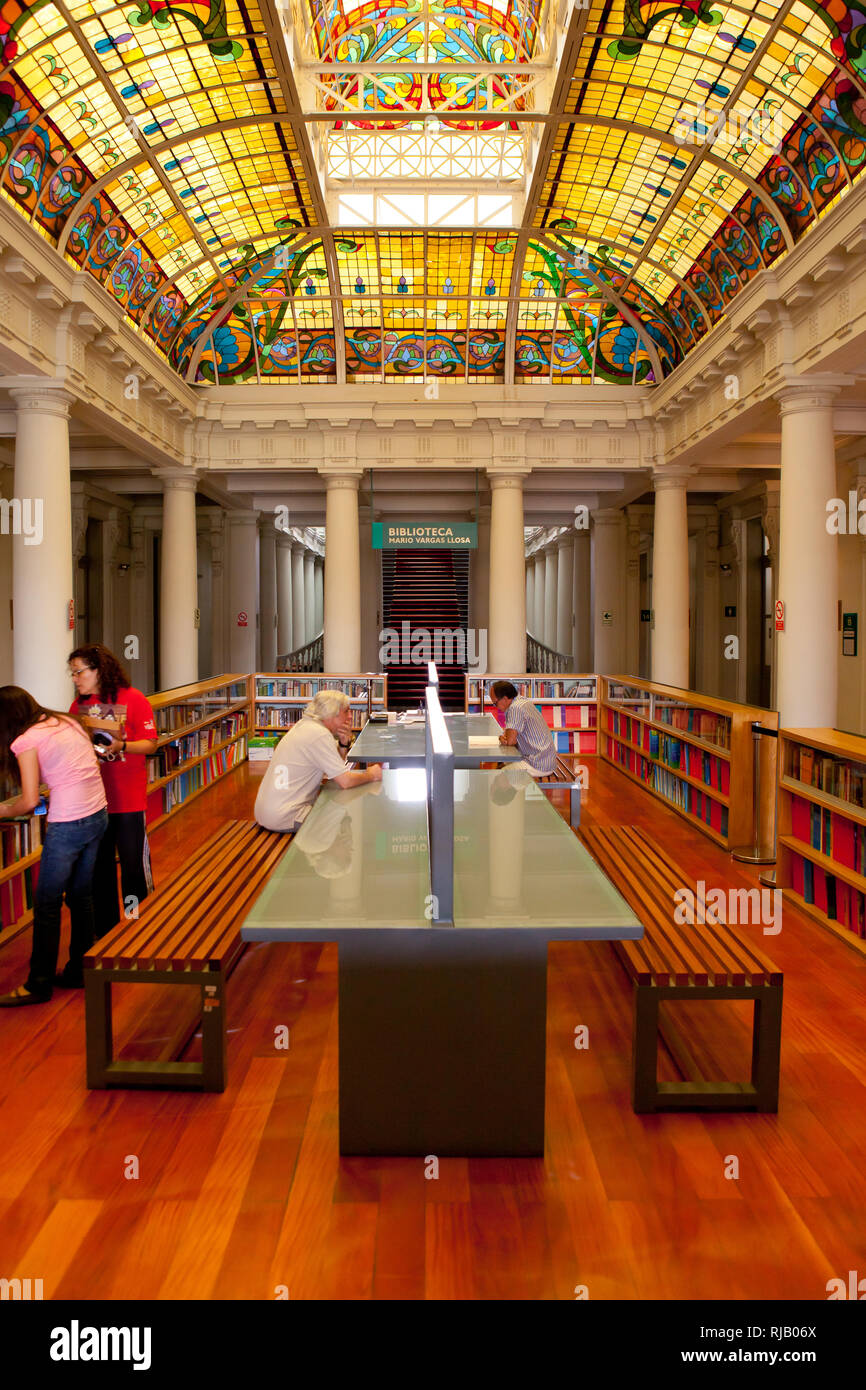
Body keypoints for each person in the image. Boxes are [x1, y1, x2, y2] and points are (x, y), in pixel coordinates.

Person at [0, 686, 108, 1004]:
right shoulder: (66, 721)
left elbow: (29, 800)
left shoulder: (25, 740)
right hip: (97, 813)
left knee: (47, 903)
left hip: (68, 823)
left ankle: (38, 984)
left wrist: (4, 810)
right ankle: (79, 970)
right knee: (80, 896)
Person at [68, 645, 158, 937]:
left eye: (79, 671)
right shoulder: (76, 707)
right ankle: (107, 930)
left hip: (128, 800)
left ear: (99, 669)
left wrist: (122, 747)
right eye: (72, 673)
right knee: (100, 870)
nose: (75, 678)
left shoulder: (134, 699)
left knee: (132, 868)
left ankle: (135, 922)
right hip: (93, 803)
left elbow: (150, 743)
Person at [255, 690, 382, 832]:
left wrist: (343, 744)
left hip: (268, 812)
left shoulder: (305, 726)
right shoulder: (319, 735)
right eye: (346, 711)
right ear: (332, 713)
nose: (350, 716)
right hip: (286, 816)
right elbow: (345, 781)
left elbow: (333, 767)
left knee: (335, 803)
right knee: (347, 814)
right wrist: (372, 775)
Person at [489, 680, 557, 776]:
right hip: (545, 758)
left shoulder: (515, 708)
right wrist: (507, 737)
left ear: (504, 699)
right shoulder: (520, 701)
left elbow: (510, 741)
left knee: (500, 776)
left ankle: (517, 789)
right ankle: (517, 790)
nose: (495, 707)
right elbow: (510, 736)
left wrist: (503, 738)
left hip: (537, 763)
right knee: (501, 765)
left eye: (495, 703)